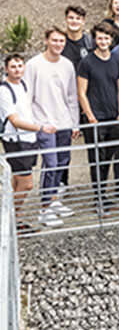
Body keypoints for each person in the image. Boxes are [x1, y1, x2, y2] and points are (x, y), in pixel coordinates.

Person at [25, 27, 80, 227]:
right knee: (51, 163)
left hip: (64, 122)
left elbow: (72, 96)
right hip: (44, 123)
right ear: (47, 40)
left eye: (61, 41)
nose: (58, 44)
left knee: (62, 162)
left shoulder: (67, 65)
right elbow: (27, 97)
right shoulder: (34, 65)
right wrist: (35, 125)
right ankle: (44, 209)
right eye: (55, 40)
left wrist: (74, 123)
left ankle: (54, 200)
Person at [77, 22, 119, 213]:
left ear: (111, 39)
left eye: (106, 38)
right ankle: (98, 197)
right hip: (95, 119)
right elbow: (81, 92)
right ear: (95, 39)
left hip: (114, 117)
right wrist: (90, 116)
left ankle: (104, 194)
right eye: (100, 37)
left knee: (108, 157)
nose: (103, 41)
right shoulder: (87, 62)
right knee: (96, 159)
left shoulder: (117, 60)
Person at [1, 53, 54, 231]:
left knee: (17, 180)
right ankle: (8, 219)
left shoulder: (23, 84)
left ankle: (14, 219)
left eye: (20, 66)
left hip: (28, 138)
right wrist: (40, 128)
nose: (17, 69)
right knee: (27, 183)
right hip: (16, 140)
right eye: (13, 66)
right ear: (6, 69)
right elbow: (15, 120)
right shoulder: (4, 91)